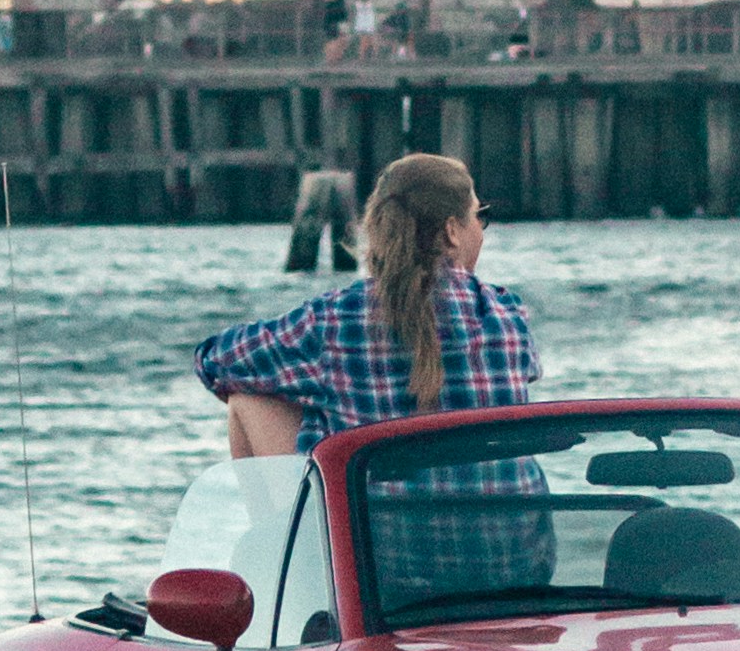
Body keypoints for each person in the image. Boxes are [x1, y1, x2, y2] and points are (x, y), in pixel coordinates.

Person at [193, 150, 534, 456]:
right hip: (511, 524)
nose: (482, 229)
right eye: (479, 216)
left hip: (374, 526)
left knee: (251, 394)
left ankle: (276, 527)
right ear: (451, 232)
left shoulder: (335, 320)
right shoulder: (507, 315)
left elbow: (216, 361)